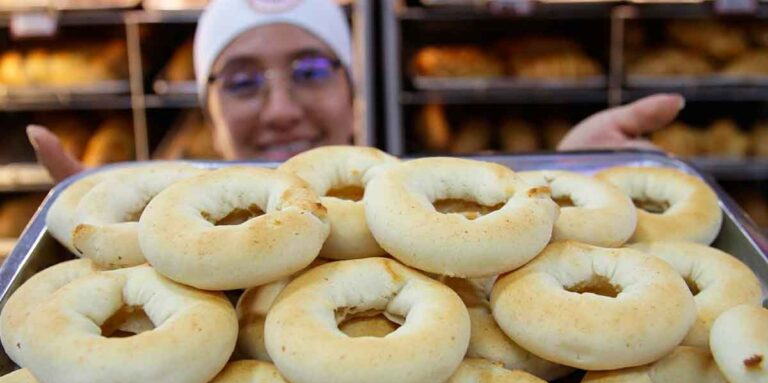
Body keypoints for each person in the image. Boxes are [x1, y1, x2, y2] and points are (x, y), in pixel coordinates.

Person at [24, 0, 685, 183]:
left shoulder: (422, 211)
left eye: (311, 71)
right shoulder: (165, 243)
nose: (282, 110)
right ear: (208, 108)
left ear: (352, 91)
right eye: (244, 81)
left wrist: (565, 171)